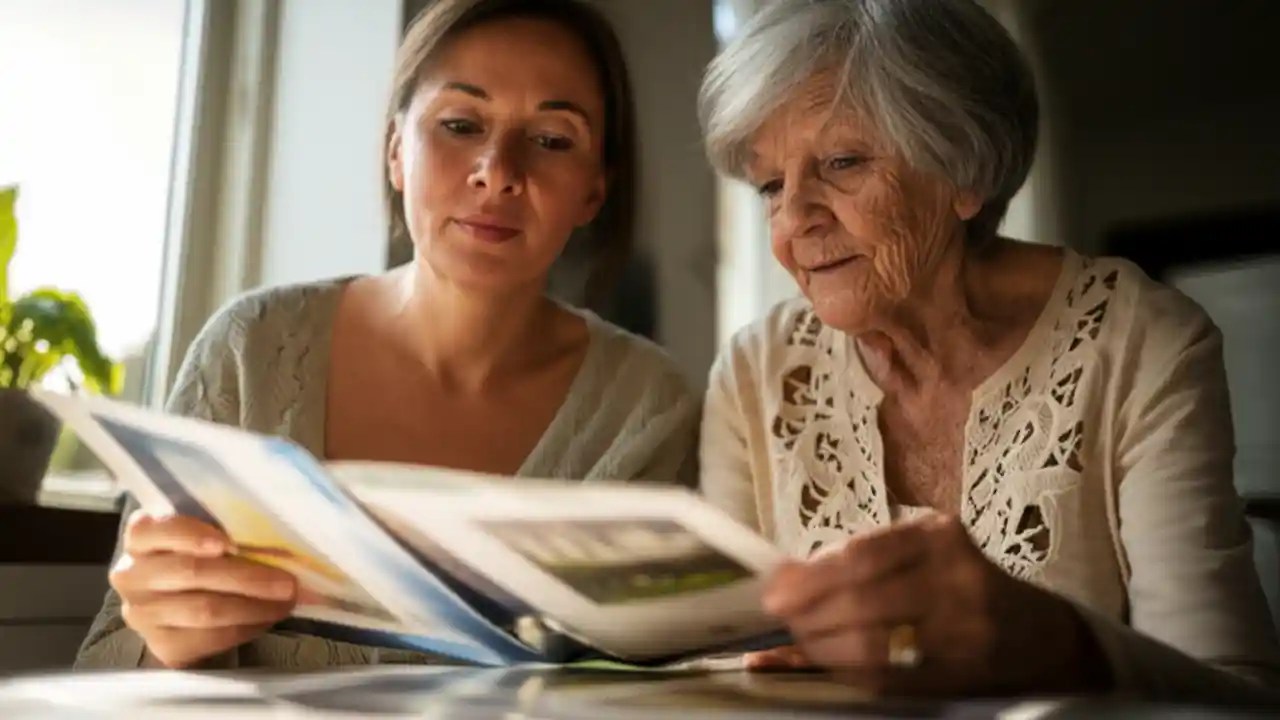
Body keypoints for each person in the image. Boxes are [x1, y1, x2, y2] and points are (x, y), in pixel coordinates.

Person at [76, 0, 697, 671]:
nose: (498, 170)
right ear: (396, 152)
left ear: (595, 190)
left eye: (552, 139)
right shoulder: (251, 348)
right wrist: (165, 639)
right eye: (461, 124)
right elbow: (105, 666)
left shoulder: (646, 406)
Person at [697, 0, 1280, 701]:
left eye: (843, 162)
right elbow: (717, 679)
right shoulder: (755, 374)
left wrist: (1052, 642)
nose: (792, 222)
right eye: (769, 185)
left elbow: (1234, 695)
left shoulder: (1140, 341)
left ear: (962, 171)